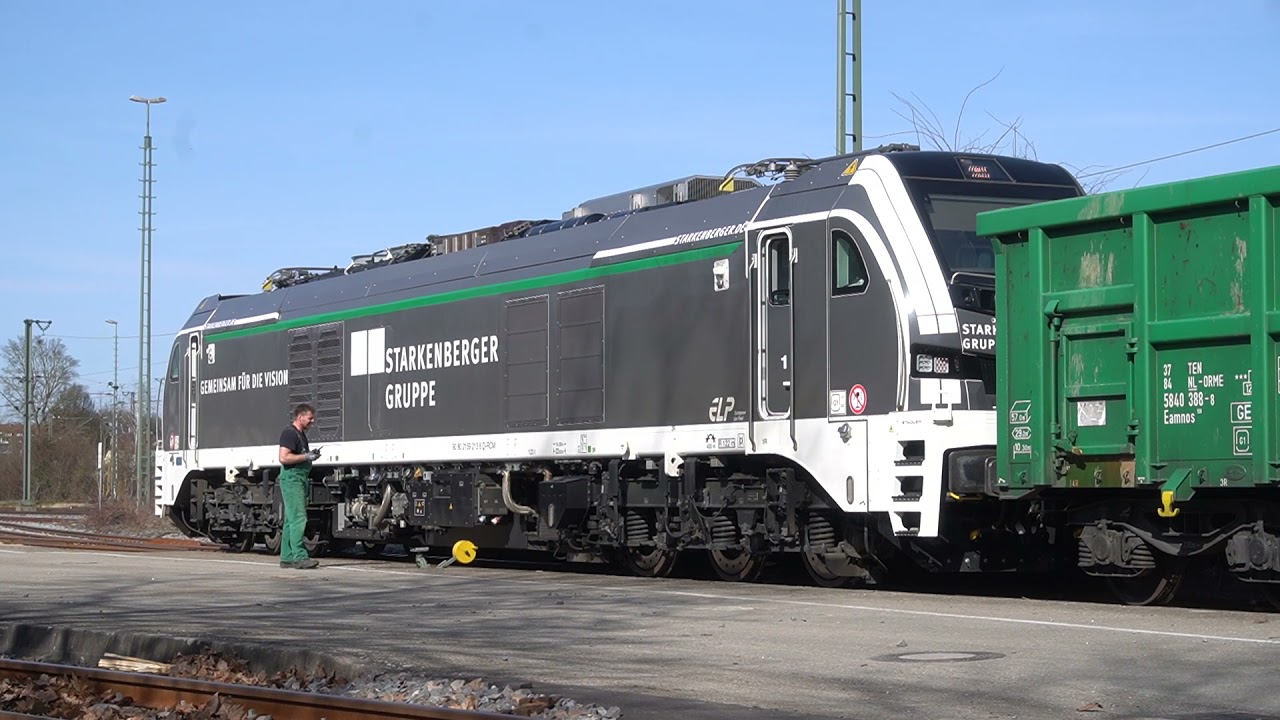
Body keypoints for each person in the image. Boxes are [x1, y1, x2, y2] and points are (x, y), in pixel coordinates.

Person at [278, 403, 321, 569]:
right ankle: (300, 557)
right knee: (299, 517)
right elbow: (284, 457)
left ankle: (287, 557)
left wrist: (310, 455)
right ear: (300, 416)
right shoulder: (290, 433)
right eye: (310, 418)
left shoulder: (300, 434)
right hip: (292, 479)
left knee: (291, 519)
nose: (312, 421)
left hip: (298, 478)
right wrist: (306, 457)